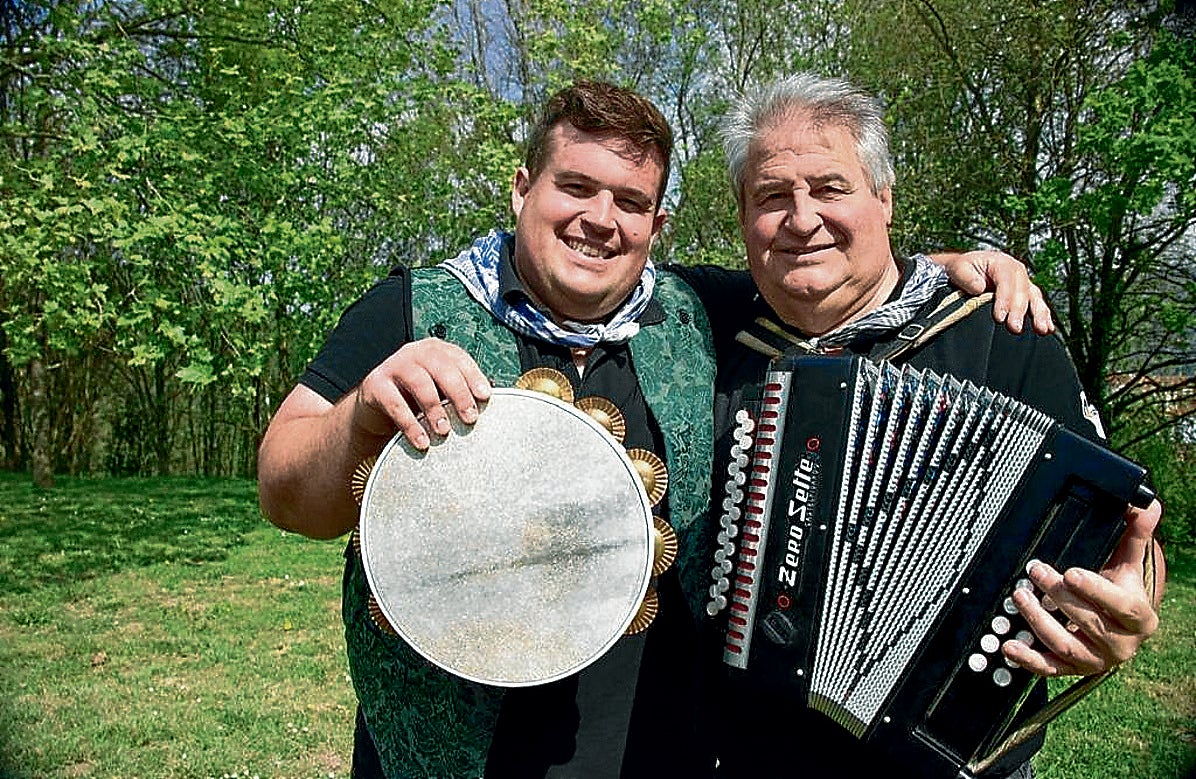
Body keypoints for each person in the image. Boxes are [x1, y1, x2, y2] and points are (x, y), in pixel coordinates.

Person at [256, 79, 1054, 779]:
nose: (600, 220)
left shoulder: (699, 311)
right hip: (453, 758)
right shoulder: (412, 307)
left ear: (657, 222)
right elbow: (283, 488)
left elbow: (826, 265)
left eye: (631, 202)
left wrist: (948, 265)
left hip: (665, 753)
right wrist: (362, 411)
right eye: (575, 186)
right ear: (521, 187)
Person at [671, 72, 1166, 779]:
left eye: (831, 188)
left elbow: (1121, 531)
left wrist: (1128, 599)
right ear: (742, 215)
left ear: (886, 198)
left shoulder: (1002, 330)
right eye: (772, 196)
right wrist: (445, 338)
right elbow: (573, 257)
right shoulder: (705, 322)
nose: (801, 217)